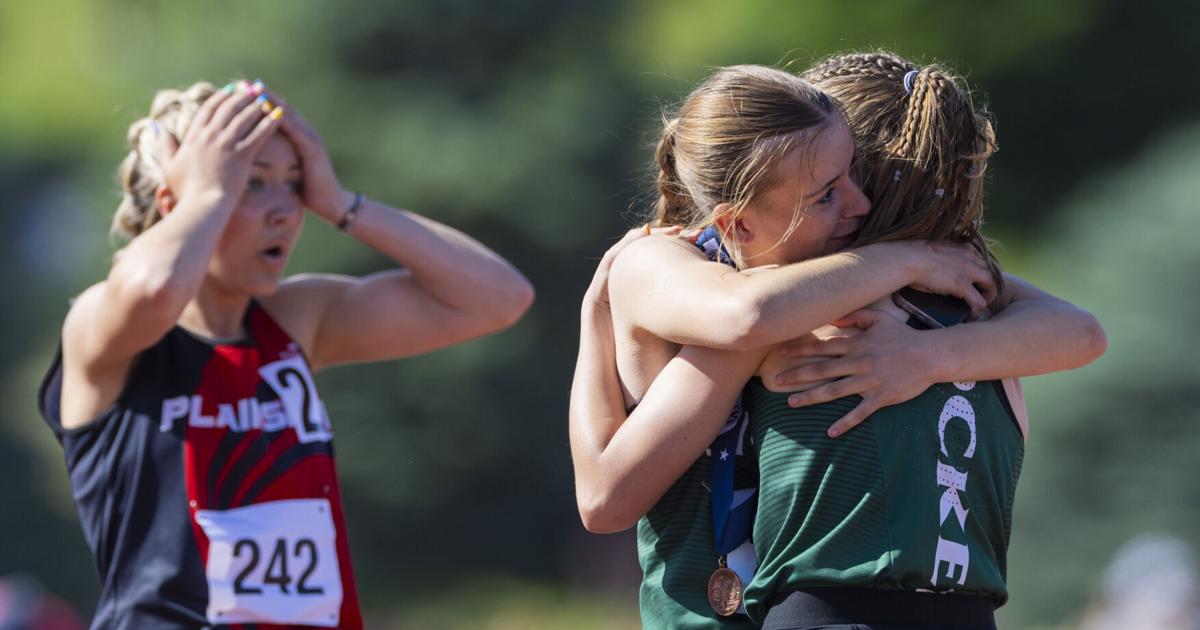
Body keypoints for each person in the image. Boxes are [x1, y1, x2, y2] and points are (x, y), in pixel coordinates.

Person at [569, 61, 1104, 629]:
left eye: (855, 174)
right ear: (738, 223)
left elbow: (1081, 332)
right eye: (827, 193)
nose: (859, 205)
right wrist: (594, 313)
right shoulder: (669, 261)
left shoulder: (850, 278)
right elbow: (748, 315)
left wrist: (926, 356)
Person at [37, 80, 534, 629]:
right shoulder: (102, 327)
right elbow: (154, 289)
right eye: (250, 184)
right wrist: (207, 195)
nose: (284, 211)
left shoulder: (295, 320)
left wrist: (342, 203)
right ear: (175, 203)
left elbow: (499, 298)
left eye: (293, 185)